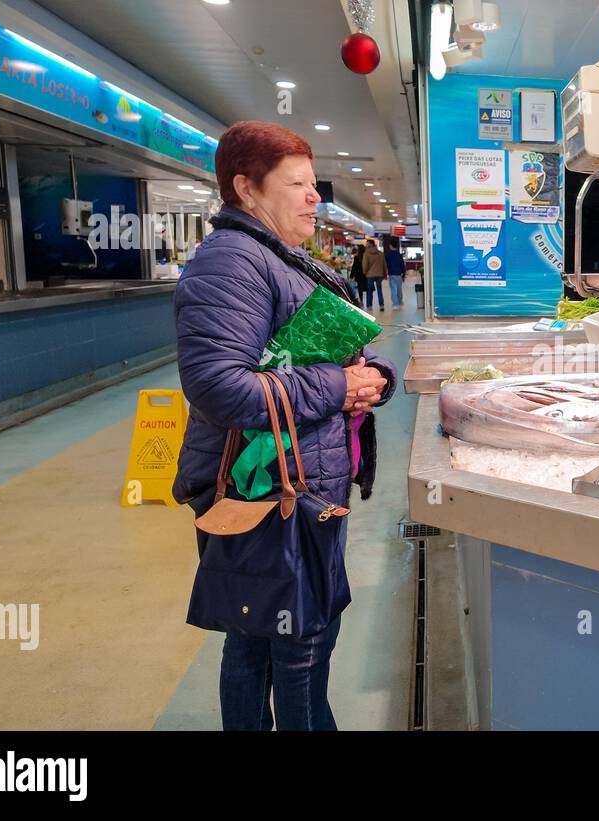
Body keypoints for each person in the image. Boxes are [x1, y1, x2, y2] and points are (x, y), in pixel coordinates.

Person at [172, 120, 397, 731]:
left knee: (256, 632)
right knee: (300, 641)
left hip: (298, 481)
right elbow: (221, 388)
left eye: (311, 182)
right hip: (267, 489)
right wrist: (338, 386)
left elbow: (316, 350)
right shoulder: (231, 263)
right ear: (247, 189)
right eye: (295, 183)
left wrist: (370, 375)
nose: (313, 195)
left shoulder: (281, 257)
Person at [360, 237, 387, 312]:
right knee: (379, 290)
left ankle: (369, 306)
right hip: (379, 274)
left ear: (371, 244)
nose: (366, 245)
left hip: (370, 275)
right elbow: (384, 264)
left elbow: (365, 265)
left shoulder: (366, 253)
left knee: (370, 291)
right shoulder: (380, 253)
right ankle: (381, 306)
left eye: (367, 243)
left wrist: (365, 272)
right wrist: (385, 274)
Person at [385, 237, 407, 308]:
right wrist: (403, 275)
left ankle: (395, 304)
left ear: (391, 245)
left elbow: (386, 265)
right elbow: (402, 266)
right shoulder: (399, 255)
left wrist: (385, 273)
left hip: (392, 274)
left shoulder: (387, 255)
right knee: (399, 289)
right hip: (399, 275)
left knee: (393, 289)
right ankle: (400, 301)